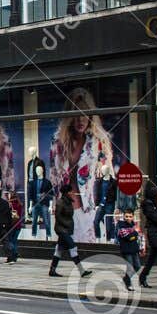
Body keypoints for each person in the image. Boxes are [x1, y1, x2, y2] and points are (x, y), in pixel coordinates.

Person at [49, 88, 115, 244]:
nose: (81, 119)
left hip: (88, 210)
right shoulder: (57, 143)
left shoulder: (98, 142)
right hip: (64, 209)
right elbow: (53, 178)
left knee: (84, 247)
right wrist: (54, 204)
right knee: (64, 246)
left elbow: (109, 175)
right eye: (76, 113)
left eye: (85, 113)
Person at [49, 185, 93, 278]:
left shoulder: (68, 202)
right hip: (62, 230)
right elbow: (58, 216)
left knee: (59, 250)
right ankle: (81, 271)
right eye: (70, 191)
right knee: (73, 247)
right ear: (67, 193)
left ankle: (52, 270)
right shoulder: (60, 202)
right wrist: (67, 224)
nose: (72, 193)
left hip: (67, 229)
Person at [116, 210, 142, 287]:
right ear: (124, 216)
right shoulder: (121, 225)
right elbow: (128, 237)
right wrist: (135, 233)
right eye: (126, 216)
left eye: (130, 216)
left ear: (133, 217)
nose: (128, 218)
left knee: (138, 266)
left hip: (134, 249)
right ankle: (128, 283)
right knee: (130, 267)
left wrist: (133, 235)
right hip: (126, 250)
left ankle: (126, 278)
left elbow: (136, 236)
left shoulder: (134, 225)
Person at [31, 166, 53, 238]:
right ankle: (33, 235)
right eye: (36, 170)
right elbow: (31, 195)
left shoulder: (47, 182)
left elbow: (51, 194)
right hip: (35, 204)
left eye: (39, 170)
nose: (38, 172)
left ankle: (48, 235)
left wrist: (50, 206)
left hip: (44, 204)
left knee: (46, 221)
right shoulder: (33, 183)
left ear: (42, 170)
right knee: (34, 221)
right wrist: (30, 206)